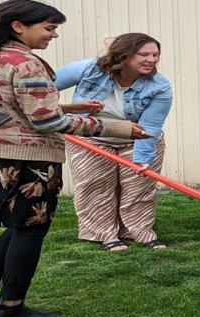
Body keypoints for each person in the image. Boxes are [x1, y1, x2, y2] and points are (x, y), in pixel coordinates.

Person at [0, 0, 147, 317]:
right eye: (48, 28)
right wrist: (118, 128)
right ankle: (10, 308)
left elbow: (10, 108)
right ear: (18, 26)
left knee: (18, 224)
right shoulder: (26, 64)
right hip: (28, 160)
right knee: (31, 230)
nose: (53, 35)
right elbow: (46, 122)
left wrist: (70, 105)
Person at [54, 32, 172, 250]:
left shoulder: (159, 86)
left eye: (155, 54)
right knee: (95, 185)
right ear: (124, 55)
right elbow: (42, 89)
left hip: (136, 137)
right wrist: (64, 111)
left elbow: (151, 126)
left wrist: (143, 158)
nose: (152, 59)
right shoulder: (89, 69)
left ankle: (140, 231)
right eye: (144, 54)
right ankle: (104, 233)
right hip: (89, 136)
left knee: (139, 187)